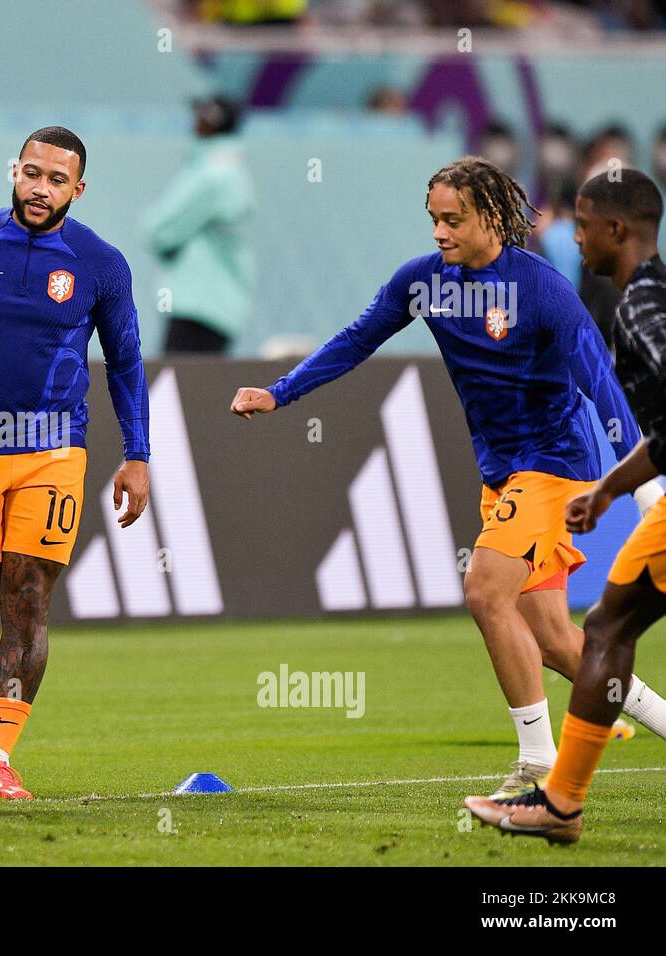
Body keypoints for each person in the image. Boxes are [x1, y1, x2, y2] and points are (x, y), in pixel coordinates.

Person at [231, 156, 666, 798]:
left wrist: (647, 486)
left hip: (554, 465)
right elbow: (357, 339)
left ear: (491, 216)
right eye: (433, 219)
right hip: (501, 473)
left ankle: (537, 762)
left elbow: (598, 383)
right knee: (551, 639)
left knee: (486, 589)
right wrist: (281, 392)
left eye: (452, 220)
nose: (439, 233)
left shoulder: (541, 289)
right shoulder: (424, 283)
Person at [0, 127, 151, 799]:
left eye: (56, 180)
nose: (40, 188)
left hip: (55, 450)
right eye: (31, 173)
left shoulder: (99, 264)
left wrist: (137, 453)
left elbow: (127, 362)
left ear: (77, 190)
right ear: (13, 171)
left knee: (27, 595)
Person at [466, 169, 666, 843]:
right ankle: (559, 799)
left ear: (617, 230)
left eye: (581, 225)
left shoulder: (639, 307)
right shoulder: (642, 296)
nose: (571, 236)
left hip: (596, 485)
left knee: (592, 628)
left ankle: (552, 786)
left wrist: (639, 491)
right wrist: (615, 490)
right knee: (588, 634)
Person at [142, 94, 253, 355]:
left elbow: (158, 230)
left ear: (212, 121)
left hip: (199, 306)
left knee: (180, 389)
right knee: (193, 388)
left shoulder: (214, 175)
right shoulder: (229, 170)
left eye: (200, 115)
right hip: (214, 306)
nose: (194, 122)